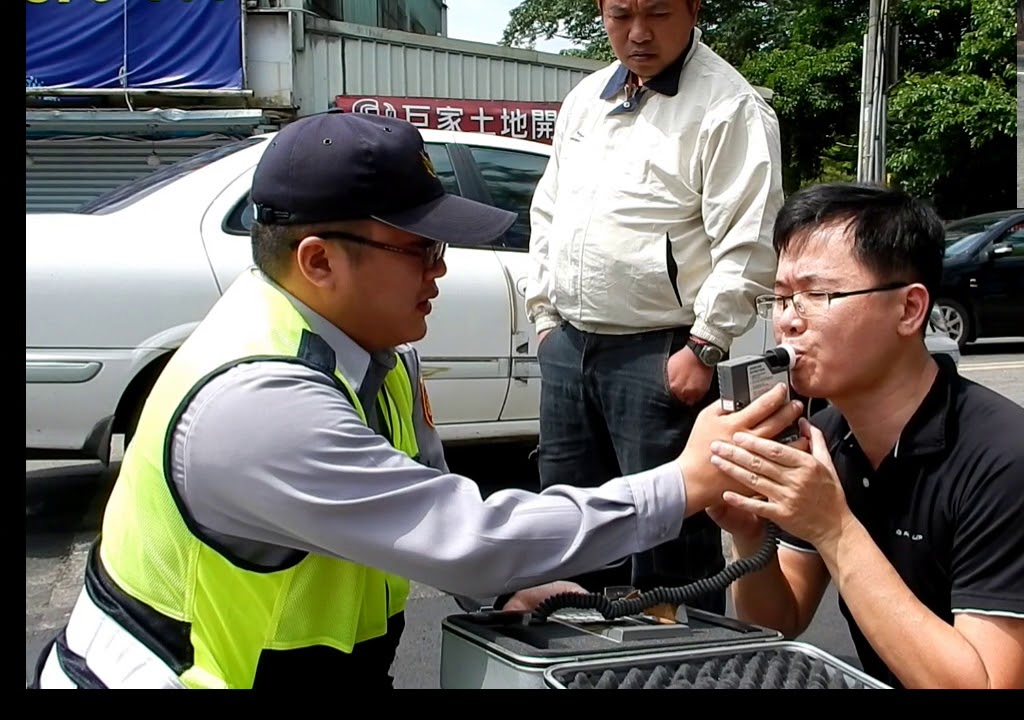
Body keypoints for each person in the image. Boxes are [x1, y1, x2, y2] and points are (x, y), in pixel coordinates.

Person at [29, 111, 805, 690]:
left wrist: (506, 585)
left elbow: (427, 505)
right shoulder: (260, 400)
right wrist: (685, 484)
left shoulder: (372, 352)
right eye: (420, 248)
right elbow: (463, 533)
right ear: (317, 260)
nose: (441, 268)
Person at [704, 183, 1024, 689]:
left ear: (910, 309)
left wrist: (833, 526)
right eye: (780, 298)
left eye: (816, 296)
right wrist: (749, 531)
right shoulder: (825, 438)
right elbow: (779, 621)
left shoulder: (1012, 462)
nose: (787, 322)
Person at [524, 0, 785, 614]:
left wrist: (704, 345)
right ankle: (572, 658)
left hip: (661, 351)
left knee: (669, 534)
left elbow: (748, 241)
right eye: (621, 15)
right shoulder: (586, 98)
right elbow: (548, 213)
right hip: (570, 344)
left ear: (694, 9)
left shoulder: (728, 104)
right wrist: (544, 320)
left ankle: (682, 665)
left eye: (659, 13)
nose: (638, 34)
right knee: (567, 521)